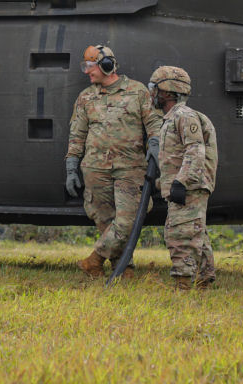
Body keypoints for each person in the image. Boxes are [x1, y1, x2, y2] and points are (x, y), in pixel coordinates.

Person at [66, 44, 162, 278]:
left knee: (128, 219)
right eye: (85, 67)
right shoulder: (86, 97)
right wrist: (71, 166)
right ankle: (123, 269)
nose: (87, 72)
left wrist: (156, 144)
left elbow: (154, 125)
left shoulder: (137, 92)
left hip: (130, 168)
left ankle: (94, 259)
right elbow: (77, 134)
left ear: (106, 66)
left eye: (90, 67)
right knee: (105, 220)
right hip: (95, 169)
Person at [148, 66, 218, 290]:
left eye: (154, 88)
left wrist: (181, 182)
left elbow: (195, 150)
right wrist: (162, 183)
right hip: (183, 185)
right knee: (197, 233)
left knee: (180, 234)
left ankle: (183, 286)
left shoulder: (184, 116)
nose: (152, 93)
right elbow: (175, 158)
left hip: (189, 187)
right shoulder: (170, 119)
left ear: (167, 92)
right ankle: (203, 281)